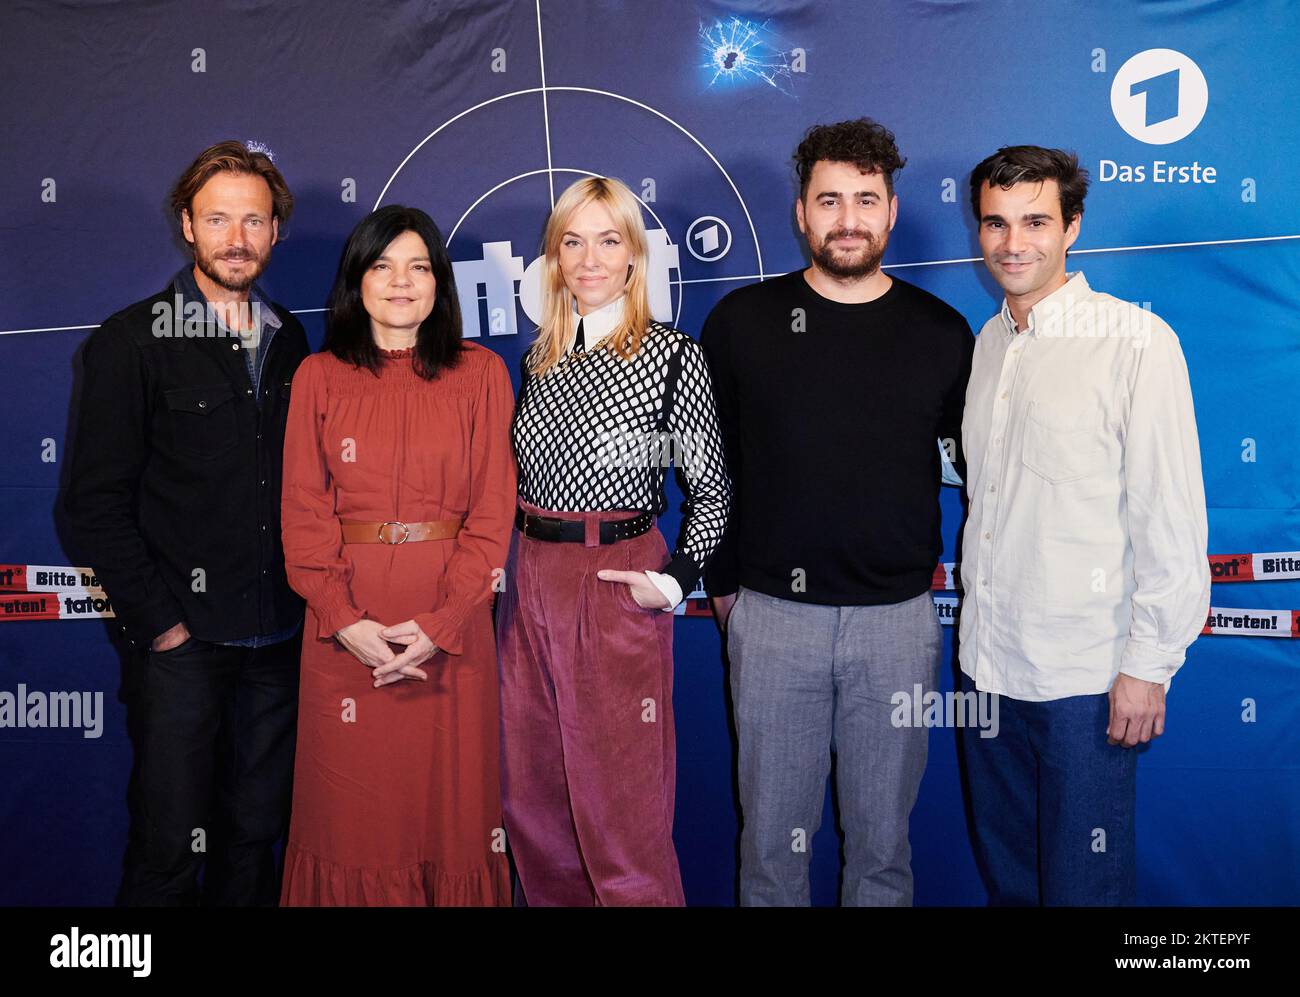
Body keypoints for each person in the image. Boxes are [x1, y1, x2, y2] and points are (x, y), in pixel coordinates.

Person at [701, 119, 973, 906]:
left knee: (883, 851)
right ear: (800, 213)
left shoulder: (942, 333)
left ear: (891, 212)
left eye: (865, 199)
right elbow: (711, 466)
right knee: (770, 852)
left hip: (897, 621)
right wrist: (726, 587)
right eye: (829, 200)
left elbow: (982, 472)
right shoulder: (740, 324)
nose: (847, 218)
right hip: (772, 618)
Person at [960, 146, 1210, 905]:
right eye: (996, 223)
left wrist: (1150, 663)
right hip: (987, 669)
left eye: (1035, 221)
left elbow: (1169, 514)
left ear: (1073, 226)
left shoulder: (1136, 342)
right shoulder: (989, 344)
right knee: (1011, 882)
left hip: (1088, 678)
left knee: (1084, 891)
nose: (1013, 243)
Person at [64, 140, 308, 905]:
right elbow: (91, 505)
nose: (237, 237)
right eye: (218, 219)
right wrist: (162, 627)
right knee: (168, 852)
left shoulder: (291, 338)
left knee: (253, 842)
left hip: (277, 644)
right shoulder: (131, 340)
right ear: (187, 225)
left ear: (275, 232)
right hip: (183, 650)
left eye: (254, 220)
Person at [498, 176, 731, 906]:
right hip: (531, 573)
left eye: (608, 240)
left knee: (620, 810)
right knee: (535, 801)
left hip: (614, 577)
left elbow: (714, 490)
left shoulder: (670, 356)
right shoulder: (541, 357)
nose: (590, 259)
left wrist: (673, 580)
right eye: (573, 241)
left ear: (635, 254)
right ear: (554, 255)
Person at [277, 206, 515, 906]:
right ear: (357, 281)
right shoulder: (318, 377)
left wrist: (442, 625)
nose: (401, 282)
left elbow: (492, 511)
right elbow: (302, 511)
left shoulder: (482, 373)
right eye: (382, 265)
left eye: (418, 266)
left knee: (451, 822)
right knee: (351, 823)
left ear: (440, 282)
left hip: (452, 633)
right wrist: (345, 620)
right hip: (344, 635)